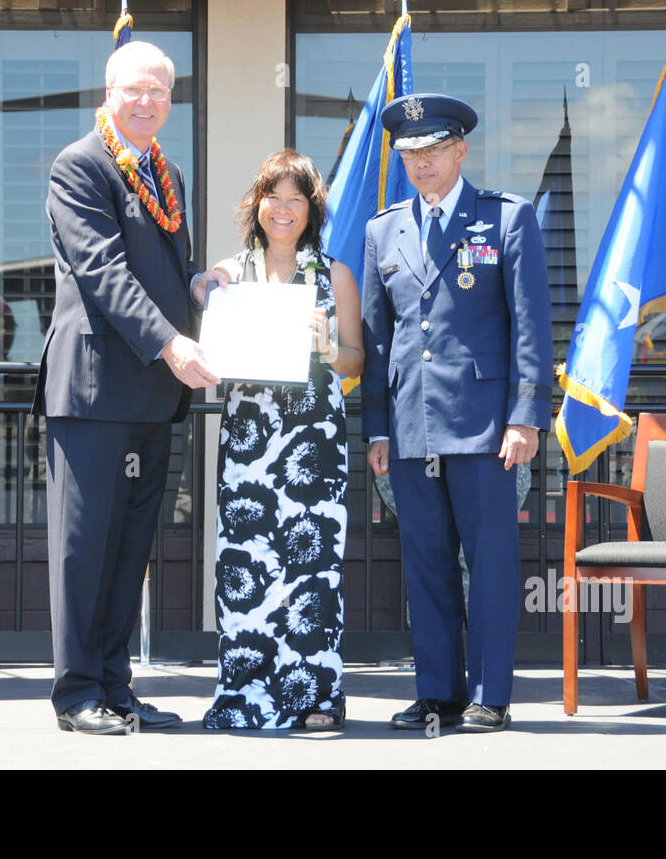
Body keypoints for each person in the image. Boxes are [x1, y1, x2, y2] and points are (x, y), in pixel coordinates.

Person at [34, 40, 226, 735]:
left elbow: (164, 267)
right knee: (85, 550)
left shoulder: (165, 170)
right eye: (134, 90)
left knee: (127, 551)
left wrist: (201, 286)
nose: (147, 101)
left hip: (151, 395)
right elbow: (104, 273)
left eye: (160, 92)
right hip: (93, 392)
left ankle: (115, 685)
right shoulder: (80, 166)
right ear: (108, 93)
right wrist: (173, 341)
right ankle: (77, 691)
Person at [361, 93, 553, 733]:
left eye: (434, 149)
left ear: (461, 150)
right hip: (411, 428)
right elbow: (376, 338)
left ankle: (489, 694)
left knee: (491, 564)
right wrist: (377, 428)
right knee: (425, 564)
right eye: (410, 152)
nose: (421, 162)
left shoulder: (506, 218)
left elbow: (531, 328)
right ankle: (438, 692)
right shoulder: (383, 229)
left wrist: (525, 416)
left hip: (485, 427)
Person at [201, 150, 363, 731]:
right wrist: (203, 294)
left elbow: (356, 360)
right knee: (246, 563)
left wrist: (328, 352)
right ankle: (244, 691)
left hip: (313, 442)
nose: (285, 208)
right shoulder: (229, 274)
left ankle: (315, 695)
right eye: (275, 196)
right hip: (249, 442)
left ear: (311, 208)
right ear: (259, 204)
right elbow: (208, 347)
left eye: (297, 197)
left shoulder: (335, 275)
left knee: (311, 569)